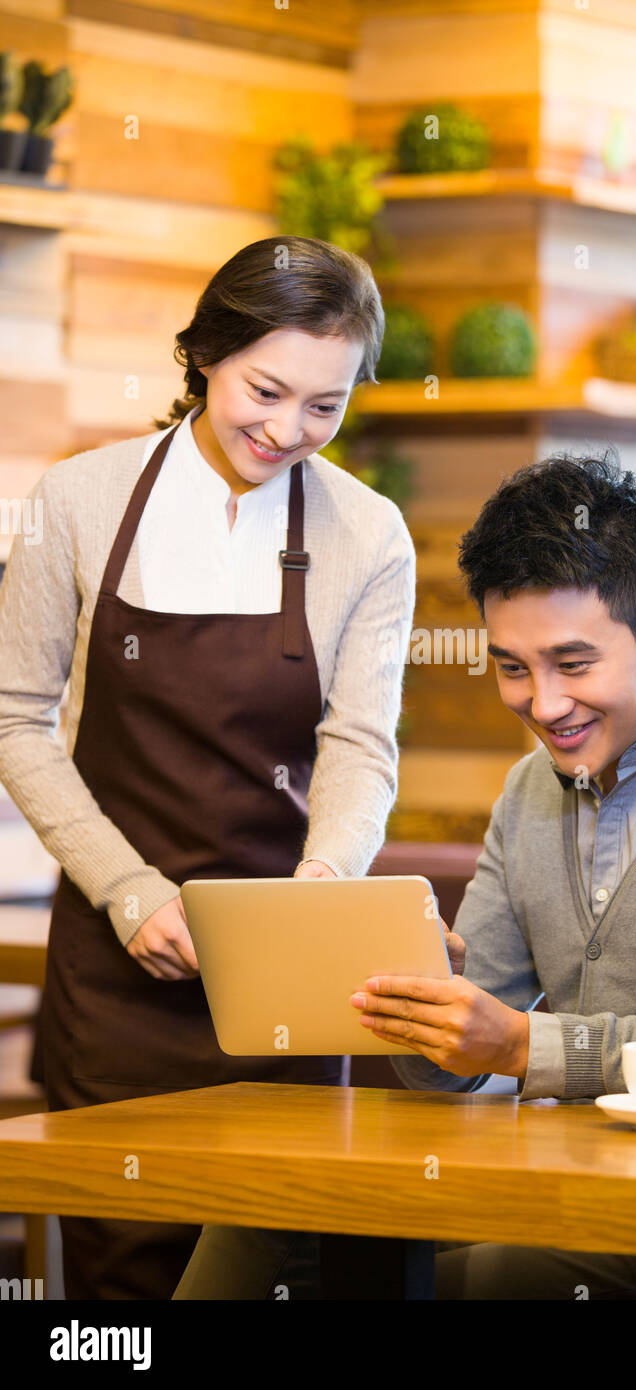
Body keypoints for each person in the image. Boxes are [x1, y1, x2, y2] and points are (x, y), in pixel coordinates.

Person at [172, 449, 636, 1300]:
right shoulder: (531, 787)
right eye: (512, 668)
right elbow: (448, 1074)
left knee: (493, 1279)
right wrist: (425, 1008)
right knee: (260, 1214)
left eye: (574, 665)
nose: (543, 706)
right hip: (567, 1186)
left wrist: (526, 1043)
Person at [0, 235, 415, 1299]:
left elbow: (359, 745)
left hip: (284, 980)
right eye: (264, 389)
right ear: (203, 356)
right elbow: (13, 716)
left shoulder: (367, 533)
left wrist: (324, 887)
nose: (286, 431)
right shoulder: (80, 501)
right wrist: (130, 890)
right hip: (119, 975)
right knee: (123, 1285)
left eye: (324, 406)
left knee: (272, 1263)